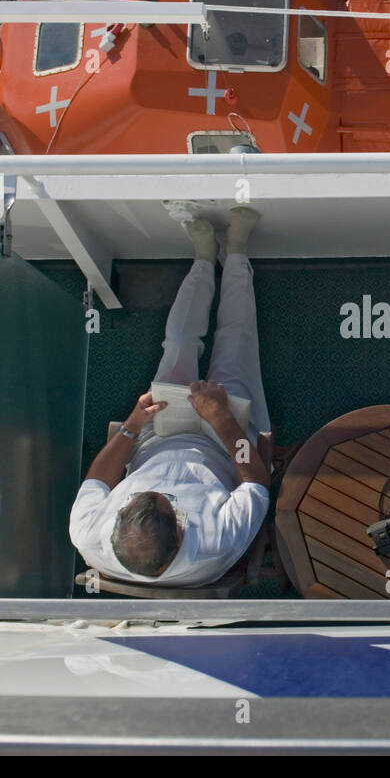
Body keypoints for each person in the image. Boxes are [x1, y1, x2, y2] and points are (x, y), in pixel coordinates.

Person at [69, 207, 272, 587]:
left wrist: (131, 427)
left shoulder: (87, 534)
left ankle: (203, 260)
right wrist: (222, 420)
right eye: (171, 504)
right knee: (235, 342)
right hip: (227, 445)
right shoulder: (216, 541)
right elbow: (257, 482)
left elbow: (96, 481)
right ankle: (238, 253)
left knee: (177, 343)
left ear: (120, 518)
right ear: (181, 534)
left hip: (158, 435)